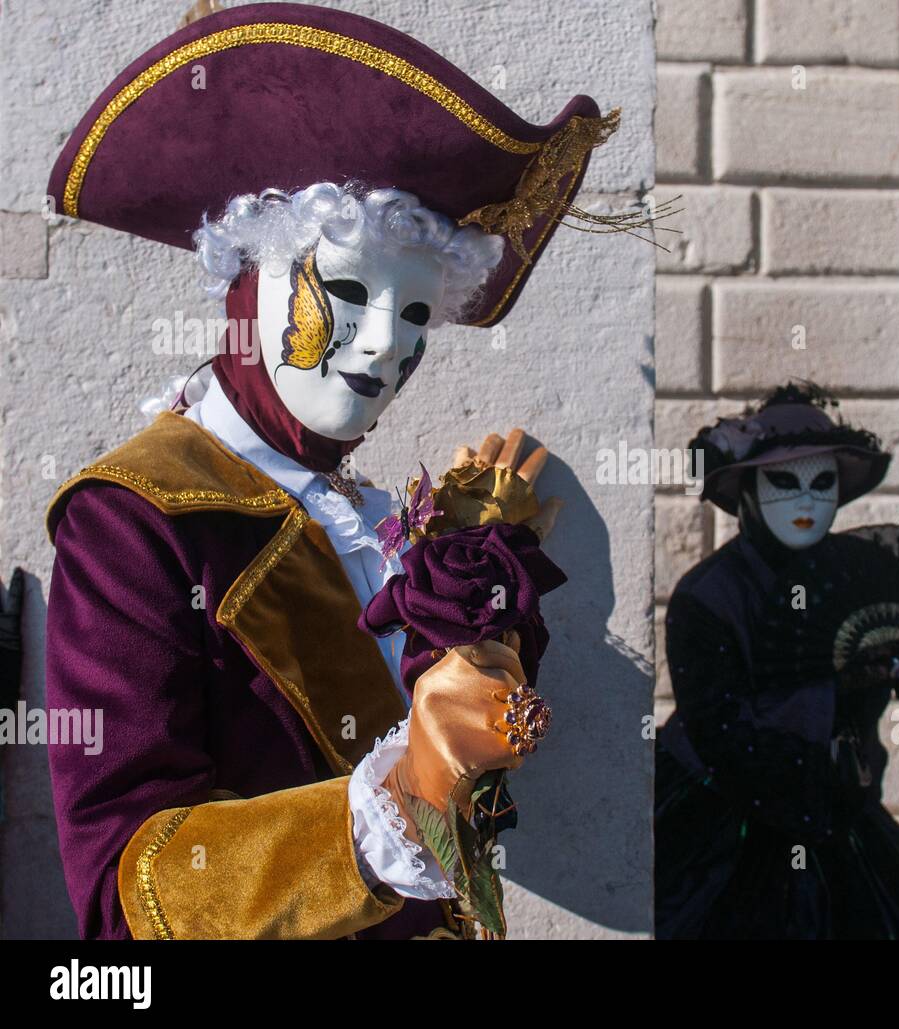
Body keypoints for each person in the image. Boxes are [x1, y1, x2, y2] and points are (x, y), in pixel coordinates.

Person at [42, 2, 625, 939]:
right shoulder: (137, 521)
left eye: (419, 316)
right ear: (248, 282)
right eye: (348, 291)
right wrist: (391, 804)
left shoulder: (375, 522)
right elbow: (125, 894)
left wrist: (480, 593)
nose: (385, 346)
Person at [655, 382, 899, 939]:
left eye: (822, 484)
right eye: (784, 482)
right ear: (747, 488)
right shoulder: (709, 596)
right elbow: (720, 733)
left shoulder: (871, 577)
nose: (805, 502)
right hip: (721, 823)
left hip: (839, 817)